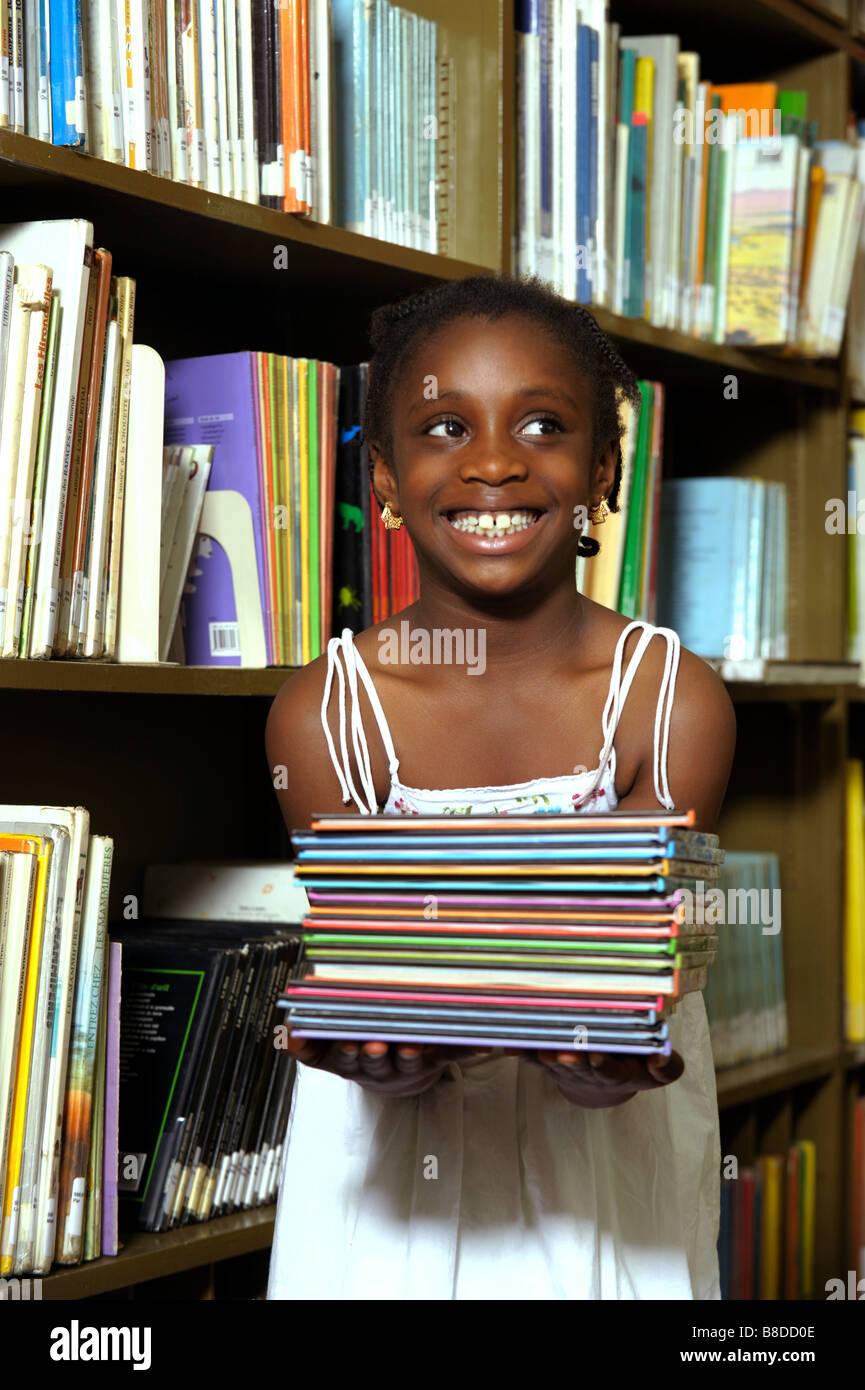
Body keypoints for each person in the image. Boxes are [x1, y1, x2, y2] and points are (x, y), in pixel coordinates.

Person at [264, 274, 736, 1300]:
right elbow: (358, 966)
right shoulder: (324, 714)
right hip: (384, 1209)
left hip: (607, 1200)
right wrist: (371, 1051)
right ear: (383, 478)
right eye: (442, 426)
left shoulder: (668, 702)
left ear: (604, 468)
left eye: (541, 423)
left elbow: (643, 972)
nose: (491, 462)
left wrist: (609, 1048)